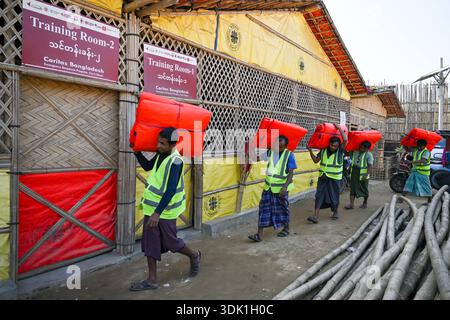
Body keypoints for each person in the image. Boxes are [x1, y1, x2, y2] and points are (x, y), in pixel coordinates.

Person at [129, 127, 201, 291]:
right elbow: (148, 166)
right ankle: (152, 280)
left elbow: (170, 190)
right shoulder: (161, 154)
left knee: (171, 242)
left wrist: (157, 213)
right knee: (150, 243)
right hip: (151, 207)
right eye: (158, 141)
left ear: (172, 145)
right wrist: (136, 151)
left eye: (162, 143)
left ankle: (194, 255)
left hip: (166, 210)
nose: (158, 145)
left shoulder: (176, 161)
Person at [248, 135, 297, 242]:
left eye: (281, 147)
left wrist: (284, 188)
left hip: (281, 189)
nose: (278, 149)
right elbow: (257, 158)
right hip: (268, 187)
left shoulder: (289, 155)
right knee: (263, 209)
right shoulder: (270, 152)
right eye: (277, 146)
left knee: (283, 208)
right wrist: (251, 147)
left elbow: (291, 173)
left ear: (285, 146)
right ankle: (259, 235)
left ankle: (286, 228)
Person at [307, 124, 347, 223]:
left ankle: (335, 211)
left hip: (335, 178)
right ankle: (315, 216)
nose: (333, 147)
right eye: (332, 145)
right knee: (319, 195)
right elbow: (316, 160)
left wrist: (339, 129)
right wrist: (310, 151)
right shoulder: (323, 151)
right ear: (329, 144)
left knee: (334, 195)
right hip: (323, 177)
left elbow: (345, 140)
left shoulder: (340, 151)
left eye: (335, 146)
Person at [345, 141, 374, 210]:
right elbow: (347, 155)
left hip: (364, 174)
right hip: (355, 172)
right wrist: (348, 147)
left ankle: (365, 202)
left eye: (364, 148)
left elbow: (370, 166)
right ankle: (351, 204)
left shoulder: (369, 155)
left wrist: (367, 175)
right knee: (353, 188)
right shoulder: (355, 152)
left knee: (364, 188)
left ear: (367, 149)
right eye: (361, 147)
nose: (362, 148)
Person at [402, 139, 432, 203]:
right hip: (415, 171)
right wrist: (404, 144)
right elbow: (408, 150)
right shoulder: (416, 151)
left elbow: (423, 160)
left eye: (421, 146)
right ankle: (402, 198)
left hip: (423, 172)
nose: (419, 147)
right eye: (418, 146)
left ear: (424, 146)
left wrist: (411, 162)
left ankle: (429, 200)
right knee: (408, 184)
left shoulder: (426, 152)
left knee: (426, 186)